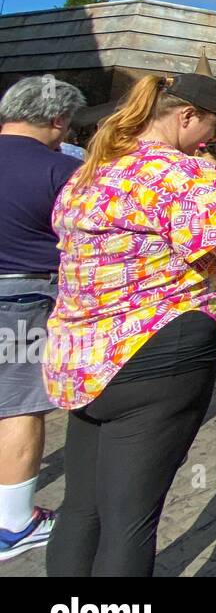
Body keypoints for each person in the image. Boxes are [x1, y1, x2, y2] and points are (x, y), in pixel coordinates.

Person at [44, 74, 216, 576]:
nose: (211, 140)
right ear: (185, 116)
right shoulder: (181, 173)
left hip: (83, 357)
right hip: (157, 350)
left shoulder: (93, 169)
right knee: (129, 520)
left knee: (81, 508)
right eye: (210, 127)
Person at [0, 76, 84, 561]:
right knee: (18, 405)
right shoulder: (62, 171)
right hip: (19, 297)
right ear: (57, 119)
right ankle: (14, 522)